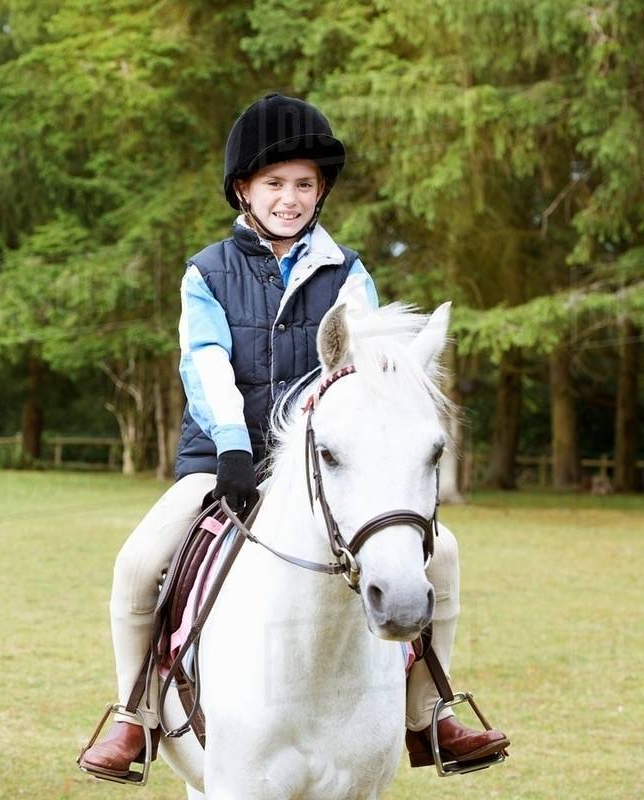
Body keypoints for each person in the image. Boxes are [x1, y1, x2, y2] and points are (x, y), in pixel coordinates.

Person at [78, 93, 509, 780]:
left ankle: (430, 713)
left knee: (443, 553)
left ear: (321, 190)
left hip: (326, 464)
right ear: (244, 189)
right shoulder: (207, 272)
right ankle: (136, 717)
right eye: (274, 183)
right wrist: (232, 448)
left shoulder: (350, 274)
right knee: (138, 564)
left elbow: (361, 368)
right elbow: (207, 361)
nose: (290, 198)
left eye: (304, 184)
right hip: (226, 462)